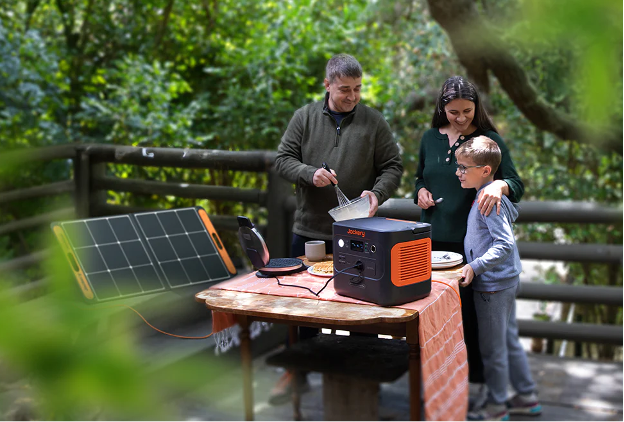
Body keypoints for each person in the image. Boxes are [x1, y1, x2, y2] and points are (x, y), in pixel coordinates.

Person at [271, 53, 403, 404]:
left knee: (363, 307)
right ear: (327, 85)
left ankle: (364, 381)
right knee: (302, 307)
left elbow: (393, 166)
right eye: (345, 89)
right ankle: (294, 373)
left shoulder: (374, 122)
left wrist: (377, 194)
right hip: (309, 230)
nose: (353, 96)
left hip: (360, 232)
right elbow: (282, 160)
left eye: (358, 89)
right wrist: (308, 174)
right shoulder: (304, 118)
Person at [414, 75, 524, 408]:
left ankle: (475, 388)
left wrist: (498, 187)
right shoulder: (429, 139)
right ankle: (436, 382)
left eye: (467, 111)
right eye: (453, 112)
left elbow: (516, 183)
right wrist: (419, 191)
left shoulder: (487, 140)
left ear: (476, 107)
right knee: (432, 319)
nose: (461, 118)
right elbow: (420, 175)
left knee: (471, 324)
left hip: (470, 252)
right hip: (431, 244)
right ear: (441, 108)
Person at [455, 136, 541, 421]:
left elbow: (503, 245)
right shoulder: (491, 195)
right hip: (506, 281)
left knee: (493, 351)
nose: (458, 172)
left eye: (464, 167)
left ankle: (496, 407)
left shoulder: (487, 199)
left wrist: (474, 267)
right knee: (508, 339)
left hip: (492, 286)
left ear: (485, 171)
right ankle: (527, 396)